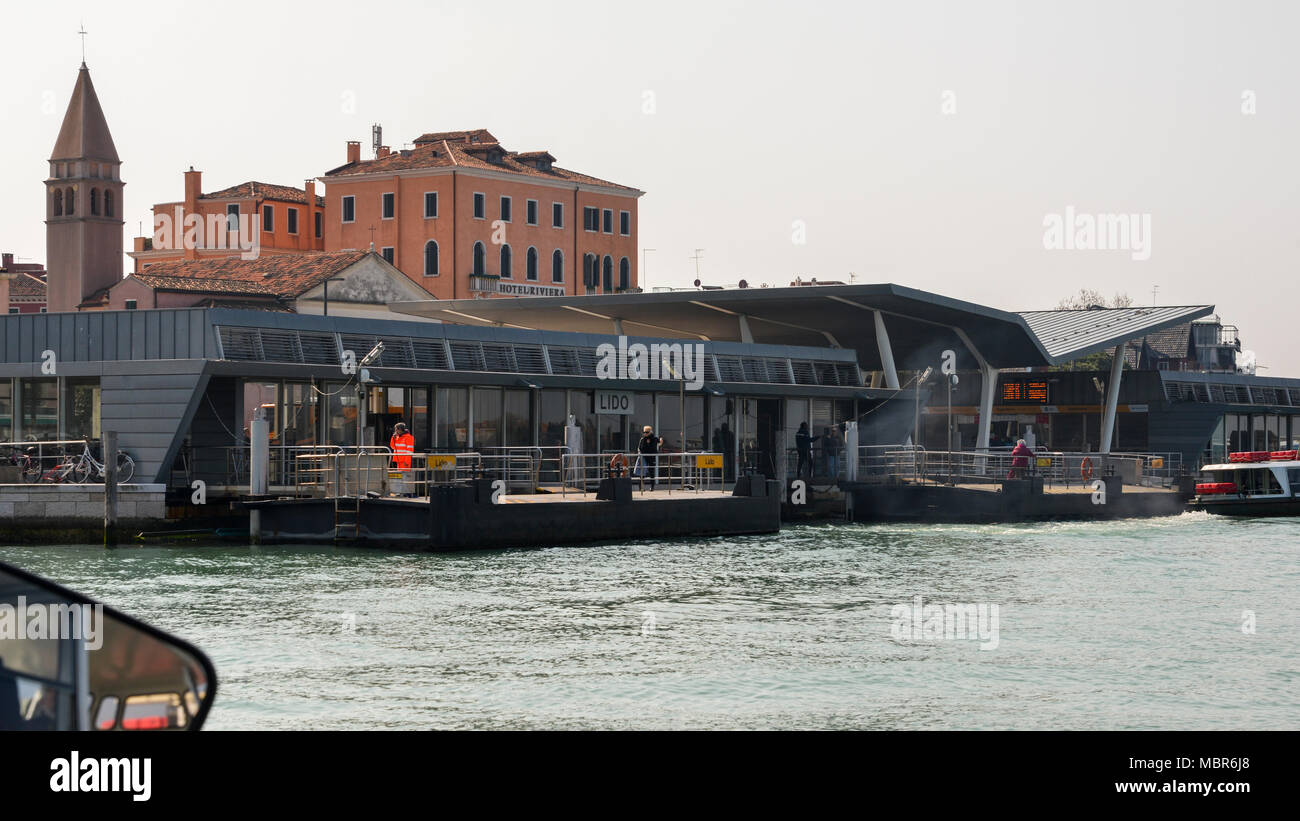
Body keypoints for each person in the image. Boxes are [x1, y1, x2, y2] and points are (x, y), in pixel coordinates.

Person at [389, 422, 415, 496]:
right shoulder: (397, 437)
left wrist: (407, 461)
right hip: (398, 460)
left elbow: (410, 450)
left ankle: (406, 493)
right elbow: (393, 446)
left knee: (405, 477)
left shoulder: (409, 437)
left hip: (405, 461)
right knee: (400, 476)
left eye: (396, 429)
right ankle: (400, 492)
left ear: (400, 429)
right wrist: (392, 438)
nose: (395, 431)